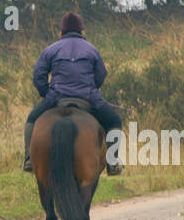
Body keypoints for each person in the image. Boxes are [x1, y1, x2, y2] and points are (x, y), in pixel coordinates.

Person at [23, 12, 124, 175]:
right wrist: (91, 89)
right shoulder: (92, 50)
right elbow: (101, 74)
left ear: (60, 32)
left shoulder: (51, 50)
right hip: (88, 97)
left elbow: (38, 75)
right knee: (114, 121)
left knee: (32, 119)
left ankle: (28, 159)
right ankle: (112, 163)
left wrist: (46, 93)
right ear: (82, 32)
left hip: (56, 98)